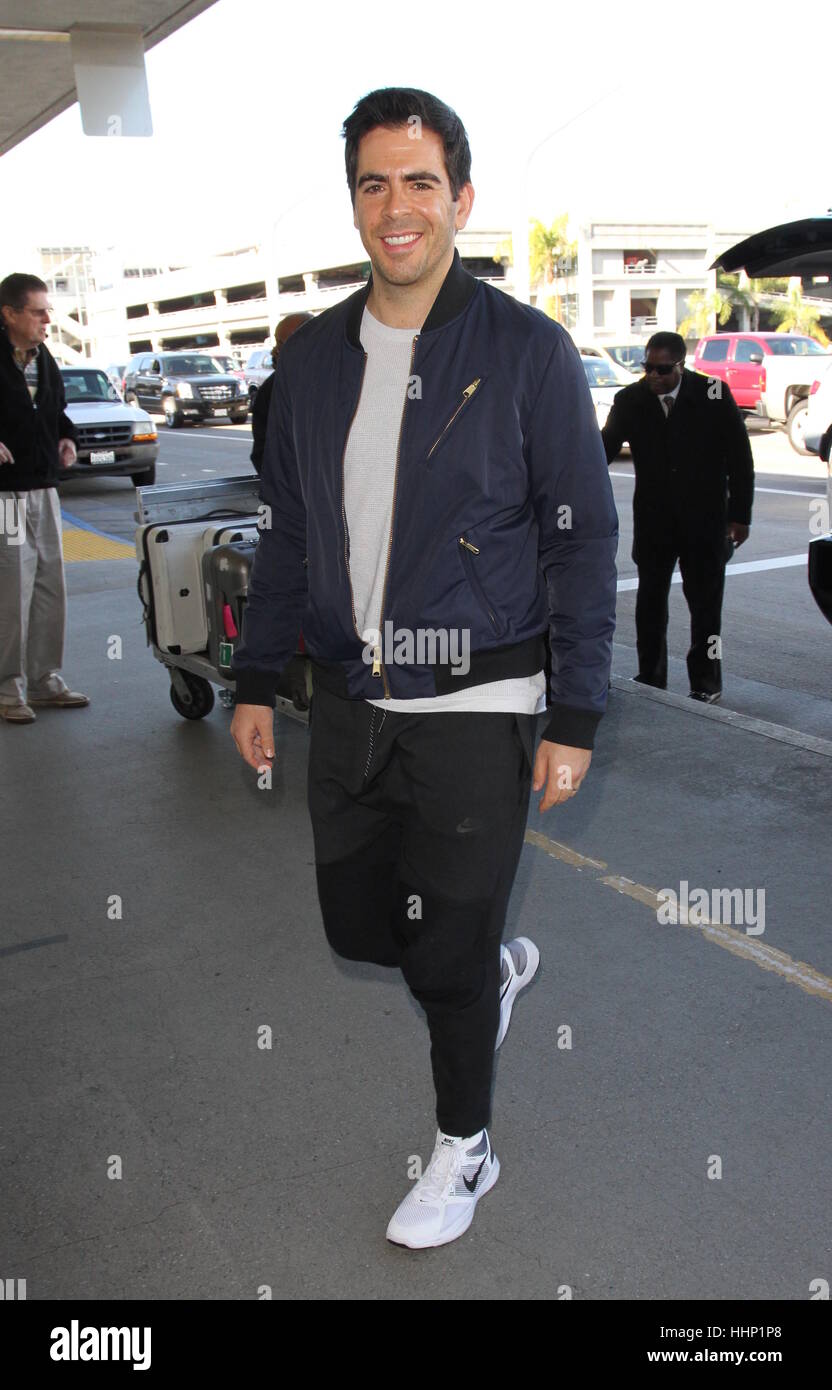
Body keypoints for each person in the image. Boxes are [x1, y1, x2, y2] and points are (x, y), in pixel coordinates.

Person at [230, 87, 617, 1249]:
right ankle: (484, 973)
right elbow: (290, 534)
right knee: (359, 927)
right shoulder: (310, 366)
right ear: (353, 199)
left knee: (439, 948)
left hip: (478, 699)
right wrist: (255, 678)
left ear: (459, 199)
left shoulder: (525, 351)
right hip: (351, 699)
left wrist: (576, 710)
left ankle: (463, 1148)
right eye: (372, 183)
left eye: (419, 183)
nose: (396, 209)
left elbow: (580, 537)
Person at [601, 331, 754, 702]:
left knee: (706, 611)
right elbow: (600, 452)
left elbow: (740, 457)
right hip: (655, 524)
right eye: (648, 368)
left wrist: (740, 516)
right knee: (649, 606)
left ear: (681, 366)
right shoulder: (630, 400)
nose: (654, 376)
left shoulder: (713, 394)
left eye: (663, 369)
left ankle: (707, 682)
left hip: (706, 524)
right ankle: (650, 677)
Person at [0, 272, 89, 724]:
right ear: (9, 313)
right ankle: (8, 689)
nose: (47, 320)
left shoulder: (43, 358)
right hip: (7, 497)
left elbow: (57, 412)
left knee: (50, 587)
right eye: (37, 311)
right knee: (12, 590)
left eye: (46, 311)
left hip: (45, 489)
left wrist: (67, 438)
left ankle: (44, 679)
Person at [250, 313, 313, 475]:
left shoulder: (338, 378)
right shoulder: (271, 391)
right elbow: (265, 455)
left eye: (280, 344)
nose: (274, 351)